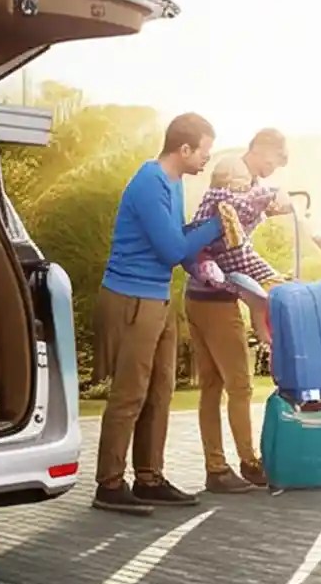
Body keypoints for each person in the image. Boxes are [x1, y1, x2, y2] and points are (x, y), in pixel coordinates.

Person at [91, 112, 223, 515]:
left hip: (159, 298)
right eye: (204, 152)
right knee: (130, 393)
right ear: (183, 149)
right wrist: (219, 225)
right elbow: (171, 248)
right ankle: (109, 484)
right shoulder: (149, 183)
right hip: (131, 299)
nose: (206, 160)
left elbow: (178, 240)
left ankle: (149, 477)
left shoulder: (175, 182)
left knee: (160, 391)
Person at [183, 128, 292, 493]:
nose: (274, 168)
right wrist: (272, 276)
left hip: (197, 296)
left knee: (212, 387)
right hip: (215, 301)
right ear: (261, 150)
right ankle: (249, 462)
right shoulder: (235, 176)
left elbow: (235, 241)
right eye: (274, 159)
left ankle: (216, 469)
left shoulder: (242, 181)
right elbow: (236, 250)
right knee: (240, 386)